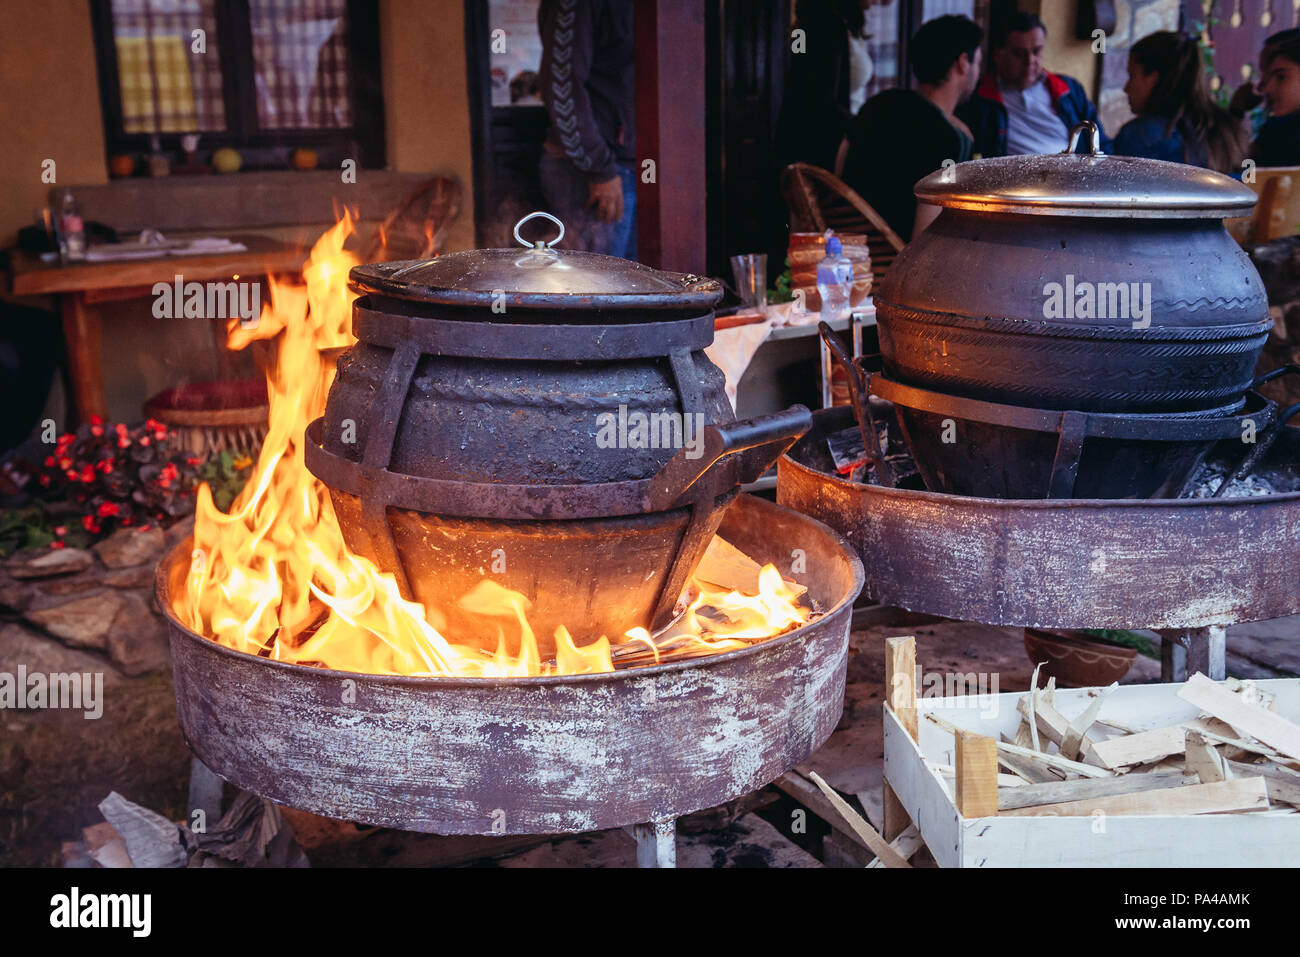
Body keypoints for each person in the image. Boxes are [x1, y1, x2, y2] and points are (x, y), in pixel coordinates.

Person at [842, 15, 982, 241]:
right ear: (963, 63)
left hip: (850, 253)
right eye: (977, 62)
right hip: (896, 262)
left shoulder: (877, 105)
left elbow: (839, 173)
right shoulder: (947, 138)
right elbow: (925, 240)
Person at [537, 0, 636, 257]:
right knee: (600, 289)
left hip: (631, 165)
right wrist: (599, 169)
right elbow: (561, 84)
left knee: (634, 287)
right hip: (592, 171)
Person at [957, 11, 1107, 157]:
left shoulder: (1069, 89)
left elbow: (1101, 144)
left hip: (1071, 177)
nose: (1030, 61)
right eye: (1019, 54)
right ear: (998, 54)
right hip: (1012, 180)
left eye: (1037, 51)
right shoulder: (978, 96)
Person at [1114, 31, 1247, 173]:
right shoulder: (1227, 130)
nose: (1126, 88)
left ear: (1152, 78)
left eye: (1131, 75)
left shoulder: (1140, 136)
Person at [773, 0, 873, 175]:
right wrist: (866, 131)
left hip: (829, 139)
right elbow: (819, 98)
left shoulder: (831, 23)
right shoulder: (823, 23)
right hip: (823, 145)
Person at [1231, 29, 1300, 167]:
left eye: (1280, 76)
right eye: (1264, 73)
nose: (1264, 87)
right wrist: (1236, 112)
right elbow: (1246, 171)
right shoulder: (1278, 130)